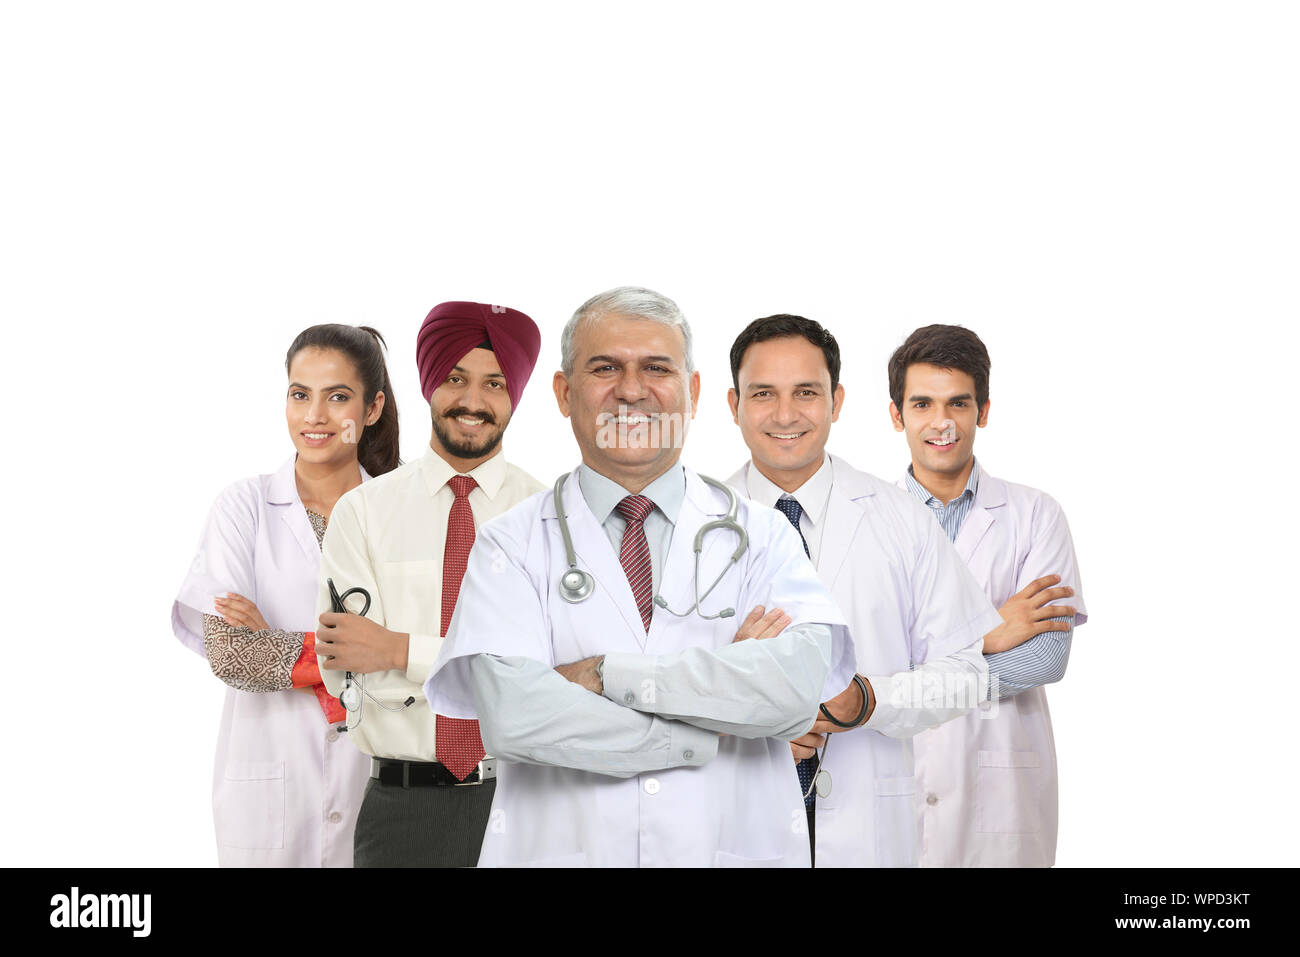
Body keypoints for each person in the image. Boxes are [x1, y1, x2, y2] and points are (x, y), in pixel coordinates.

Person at [424, 287, 856, 868]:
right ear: (563, 392)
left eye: (657, 368)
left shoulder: (762, 535)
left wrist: (605, 674)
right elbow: (516, 719)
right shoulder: (512, 541)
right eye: (605, 368)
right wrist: (715, 717)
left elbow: (794, 692)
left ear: (693, 391)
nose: (631, 390)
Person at [724, 314, 1005, 868]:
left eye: (806, 392)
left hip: (865, 833)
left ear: (837, 400)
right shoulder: (689, 528)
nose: (785, 414)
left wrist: (865, 701)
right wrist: (742, 721)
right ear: (733, 404)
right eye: (763, 394)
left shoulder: (901, 517)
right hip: (731, 823)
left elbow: (969, 675)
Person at [314, 300, 543, 867]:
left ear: (514, 394)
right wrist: (484, 665)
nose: (473, 401)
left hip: (527, 804)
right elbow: (344, 661)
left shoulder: (551, 518)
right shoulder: (363, 513)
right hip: (400, 811)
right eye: (456, 379)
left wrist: (395, 649)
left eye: (494, 383)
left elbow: (547, 670)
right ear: (429, 385)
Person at [171, 324, 400, 867]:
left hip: (376, 783)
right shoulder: (243, 507)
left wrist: (281, 646)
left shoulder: (400, 513)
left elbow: (425, 653)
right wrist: (367, 655)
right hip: (269, 781)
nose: (314, 416)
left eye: (337, 397)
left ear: (372, 409)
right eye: (300, 395)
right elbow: (232, 656)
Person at [888, 324, 1086, 867]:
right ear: (896, 415)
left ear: (984, 411)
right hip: (891, 782)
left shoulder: (1035, 515)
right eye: (922, 403)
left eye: (959, 403)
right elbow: (849, 662)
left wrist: (905, 683)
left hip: (1002, 797)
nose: (942, 422)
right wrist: (988, 631)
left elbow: (1046, 657)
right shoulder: (865, 520)